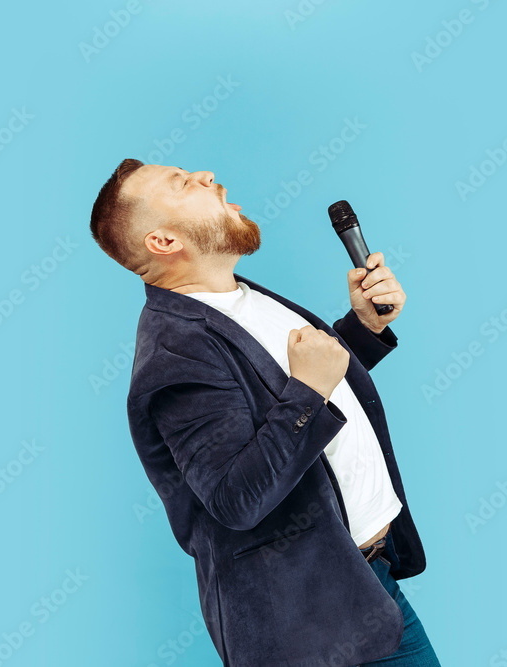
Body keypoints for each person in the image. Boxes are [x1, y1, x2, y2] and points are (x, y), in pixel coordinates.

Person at [90, 159, 441, 666]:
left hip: (366, 584)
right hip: (306, 625)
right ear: (164, 242)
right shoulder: (174, 354)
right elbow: (236, 497)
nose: (207, 176)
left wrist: (361, 330)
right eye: (184, 184)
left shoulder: (238, 299)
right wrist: (307, 389)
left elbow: (278, 394)